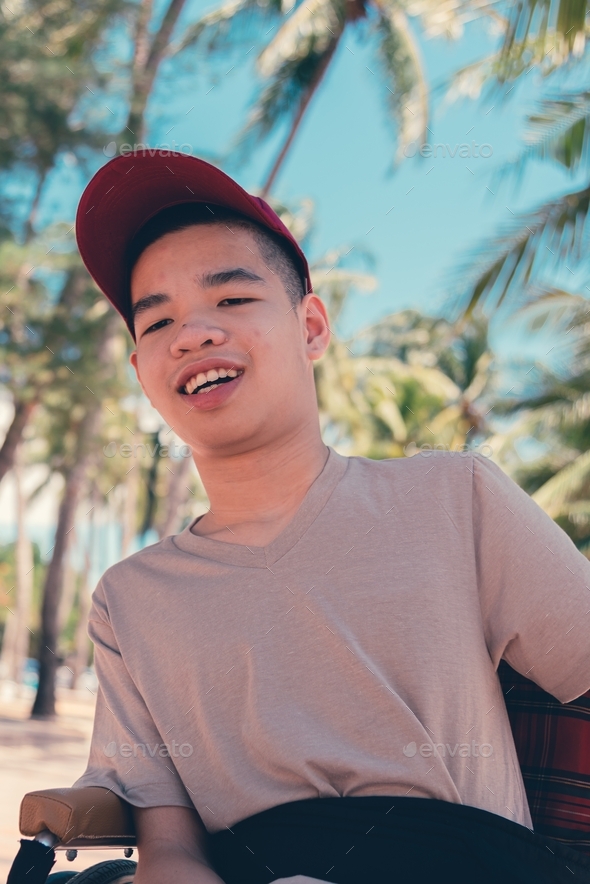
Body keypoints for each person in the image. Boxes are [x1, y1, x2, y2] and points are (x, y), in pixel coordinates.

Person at [72, 149, 590, 884]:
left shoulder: (456, 497)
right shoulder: (130, 602)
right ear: (142, 374)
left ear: (312, 326)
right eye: (158, 323)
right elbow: (170, 849)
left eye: (232, 299)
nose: (193, 334)